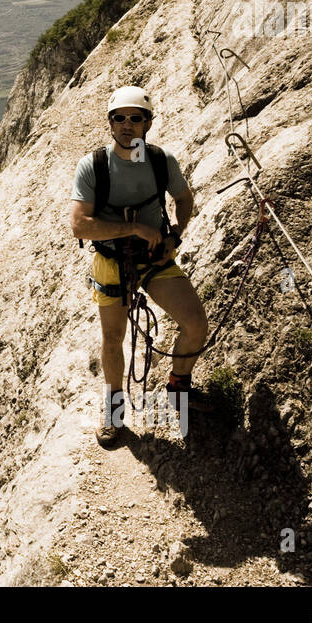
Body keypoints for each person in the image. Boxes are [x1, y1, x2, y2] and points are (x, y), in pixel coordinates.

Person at [68, 86, 209, 448]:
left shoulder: (162, 161)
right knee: (113, 338)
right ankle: (113, 413)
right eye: (120, 118)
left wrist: (175, 237)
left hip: (153, 257)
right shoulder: (93, 166)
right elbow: (80, 225)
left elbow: (184, 198)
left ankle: (179, 385)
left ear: (147, 123)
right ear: (110, 123)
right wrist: (133, 227)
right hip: (112, 260)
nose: (127, 125)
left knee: (195, 324)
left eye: (135, 118)